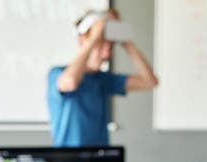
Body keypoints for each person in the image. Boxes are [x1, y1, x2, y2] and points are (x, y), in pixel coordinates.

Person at [47, 8, 158, 147]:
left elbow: (149, 82)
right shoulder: (57, 74)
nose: (106, 54)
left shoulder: (102, 80)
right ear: (82, 41)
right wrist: (93, 38)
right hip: (68, 161)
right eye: (100, 45)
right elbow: (71, 82)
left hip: (100, 160)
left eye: (110, 46)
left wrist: (126, 41)